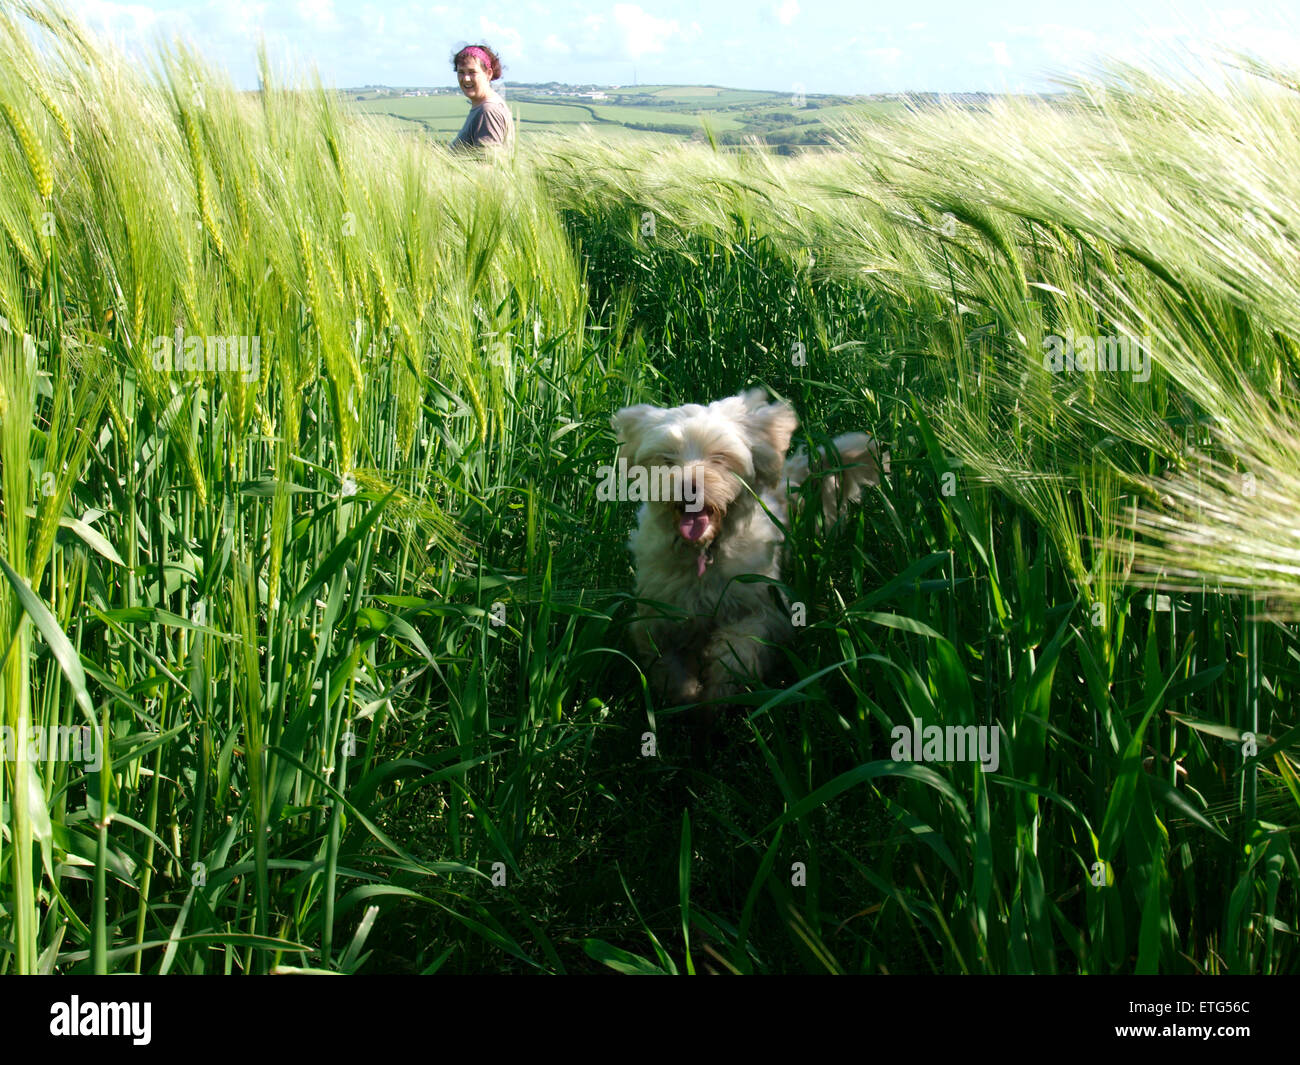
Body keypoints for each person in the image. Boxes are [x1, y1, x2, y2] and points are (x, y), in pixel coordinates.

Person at [450, 44, 514, 153]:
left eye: (472, 72)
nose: (466, 78)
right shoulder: (482, 107)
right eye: (461, 72)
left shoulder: (488, 111)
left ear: (488, 74)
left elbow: (487, 165)